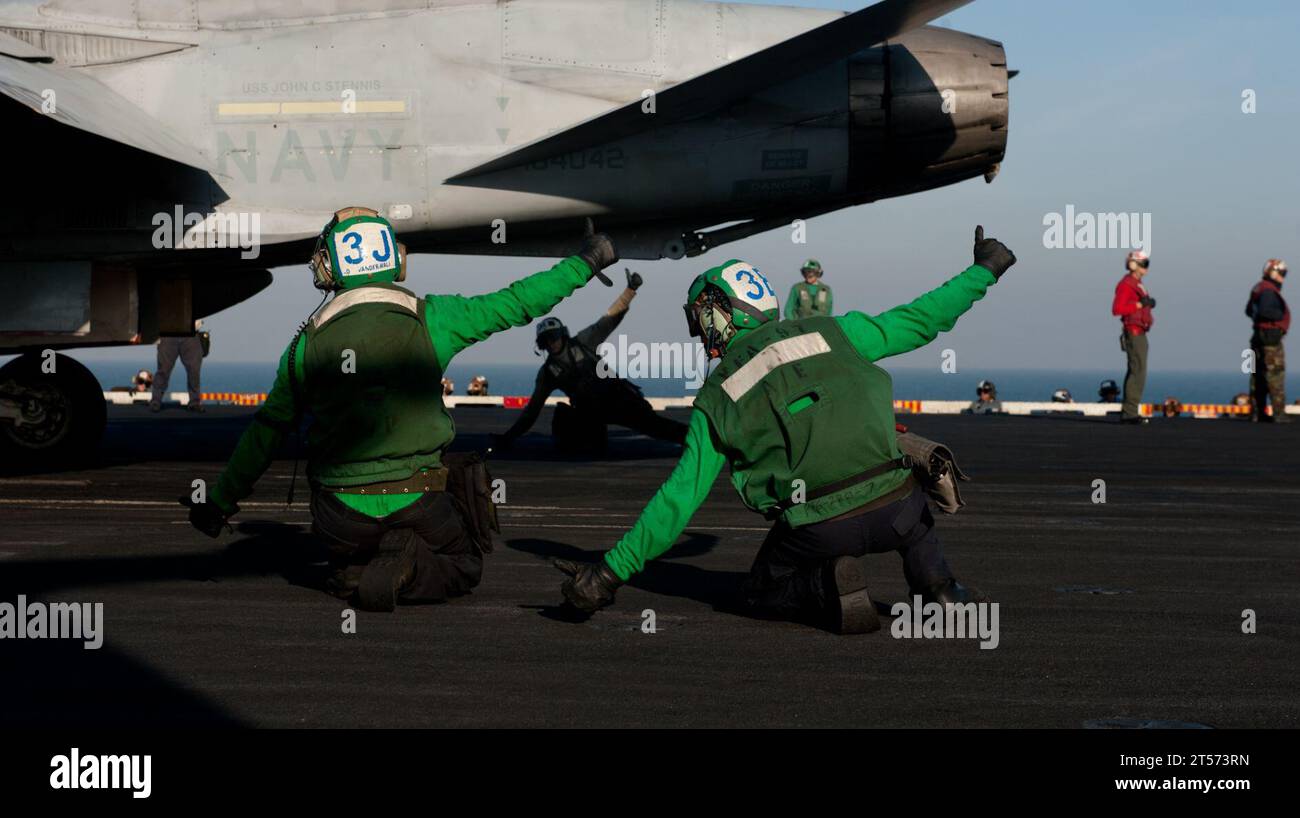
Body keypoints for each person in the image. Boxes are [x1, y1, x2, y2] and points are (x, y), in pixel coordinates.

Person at [555, 226, 1015, 634]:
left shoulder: (715, 399)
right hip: (897, 510)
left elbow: (677, 502)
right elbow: (923, 318)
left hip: (820, 529)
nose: (699, 334)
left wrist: (606, 576)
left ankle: (825, 587)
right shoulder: (840, 331)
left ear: (722, 312)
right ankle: (938, 589)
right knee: (916, 520)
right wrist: (986, 269)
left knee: (759, 591)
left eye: (700, 318)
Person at [183, 206, 619, 611]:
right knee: (464, 565)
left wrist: (218, 503)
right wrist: (587, 260)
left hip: (339, 518)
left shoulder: (304, 346)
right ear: (395, 259)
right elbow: (521, 301)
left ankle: (354, 570)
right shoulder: (433, 318)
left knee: (346, 551)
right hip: (419, 503)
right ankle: (404, 569)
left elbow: (266, 432)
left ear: (330, 266)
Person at [494, 269, 687, 453]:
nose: (551, 343)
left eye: (553, 337)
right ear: (541, 345)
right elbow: (532, 412)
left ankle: (697, 439)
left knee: (657, 427)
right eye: (546, 340)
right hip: (591, 412)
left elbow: (609, 320)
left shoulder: (584, 341)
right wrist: (509, 437)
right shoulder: (548, 373)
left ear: (562, 335)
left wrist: (630, 291)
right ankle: (590, 443)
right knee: (564, 418)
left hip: (620, 400)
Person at [1112, 250, 1155, 424]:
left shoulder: (1138, 284)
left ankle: (1131, 410)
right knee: (1137, 371)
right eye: (1143, 264)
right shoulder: (1127, 284)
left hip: (1140, 332)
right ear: (1133, 265)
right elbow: (1117, 309)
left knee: (1139, 371)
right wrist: (1139, 304)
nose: (1146, 268)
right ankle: (1129, 412)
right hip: (1134, 332)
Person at [1246, 258, 1289, 423]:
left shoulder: (1258, 288)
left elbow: (1249, 310)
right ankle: (1279, 413)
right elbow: (1264, 310)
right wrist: (1279, 317)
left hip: (1257, 336)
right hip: (1270, 339)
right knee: (1275, 374)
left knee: (1256, 375)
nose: (1283, 278)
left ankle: (1257, 413)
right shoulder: (1268, 291)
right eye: (1281, 274)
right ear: (1272, 273)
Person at [150, 319, 205, 412]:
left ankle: (195, 402)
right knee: (163, 369)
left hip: (190, 332)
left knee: (194, 370)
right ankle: (156, 401)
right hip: (167, 332)